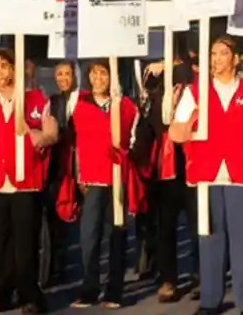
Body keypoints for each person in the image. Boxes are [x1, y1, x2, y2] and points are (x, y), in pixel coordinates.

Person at [169, 34, 243, 315]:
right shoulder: (196, 91)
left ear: (235, 59)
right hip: (207, 174)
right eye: (213, 54)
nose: (216, 59)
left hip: (242, 173)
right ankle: (210, 300)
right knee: (210, 238)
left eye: (222, 53)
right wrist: (189, 120)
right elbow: (176, 132)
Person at [0, 47, 59, 314]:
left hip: (25, 179)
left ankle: (29, 294)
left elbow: (51, 132)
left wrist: (43, 137)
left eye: (4, 66)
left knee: (25, 242)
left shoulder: (35, 99)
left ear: (14, 70)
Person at [70, 60, 144, 308]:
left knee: (116, 234)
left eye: (104, 73)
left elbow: (135, 141)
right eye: (95, 73)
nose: (99, 78)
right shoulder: (78, 103)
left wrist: (124, 154)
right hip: (91, 179)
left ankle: (114, 290)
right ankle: (89, 287)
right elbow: (73, 142)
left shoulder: (126, 106)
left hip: (116, 179)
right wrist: (78, 174)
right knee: (89, 236)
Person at [138, 45, 200, 303]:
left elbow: (188, 72)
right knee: (166, 227)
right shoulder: (156, 92)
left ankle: (201, 275)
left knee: (199, 224)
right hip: (165, 166)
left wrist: (171, 67)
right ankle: (168, 278)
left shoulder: (195, 86)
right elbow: (151, 125)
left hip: (193, 162)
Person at [43, 60, 78, 288]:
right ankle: (54, 267)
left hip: (78, 163)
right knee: (55, 218)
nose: (63, 78)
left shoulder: (83, 99)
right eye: (60, 74)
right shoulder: (52, 101)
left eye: (67, 74)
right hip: (57, 164)